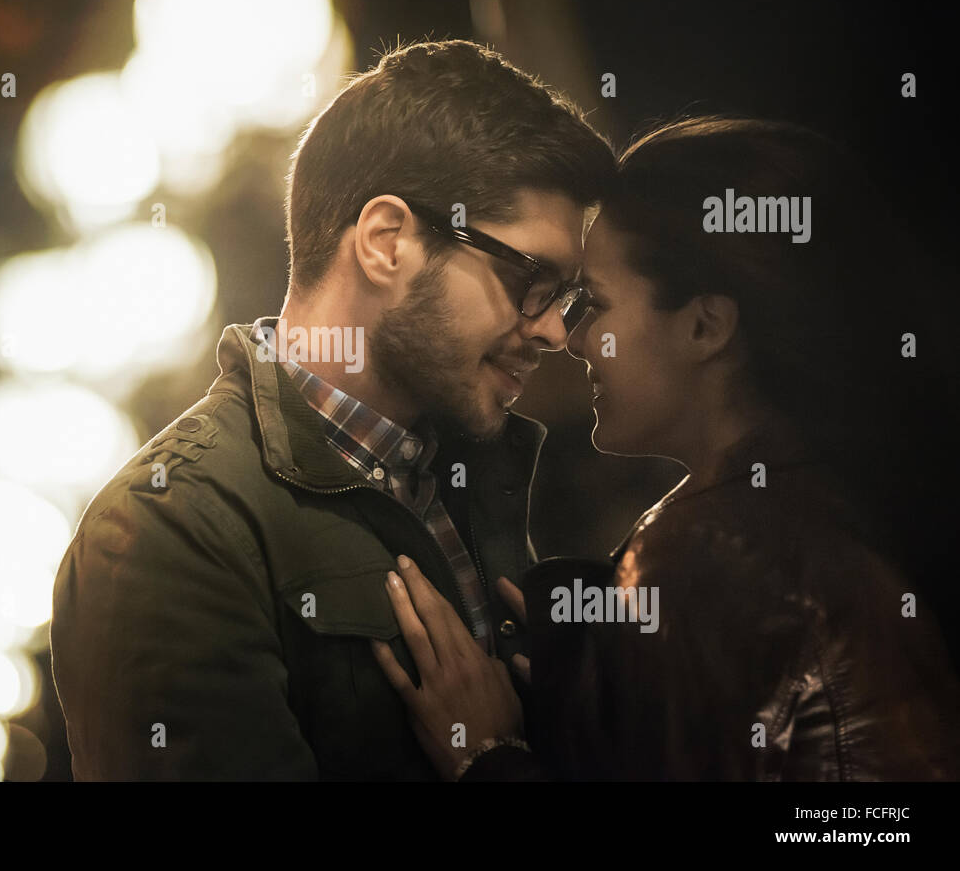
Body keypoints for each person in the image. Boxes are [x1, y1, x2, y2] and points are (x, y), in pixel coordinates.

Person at [49, 39, 615, 779]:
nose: (551, 330)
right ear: (387, 242)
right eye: (533, 280)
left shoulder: (473, 468)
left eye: (566, 299)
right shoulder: (170, 527)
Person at [373, 116, 960, 781]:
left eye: (594, 303)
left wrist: (485, 755)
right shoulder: (835, 498)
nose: (571, 338)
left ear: (706, 326)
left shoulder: (703, 557)